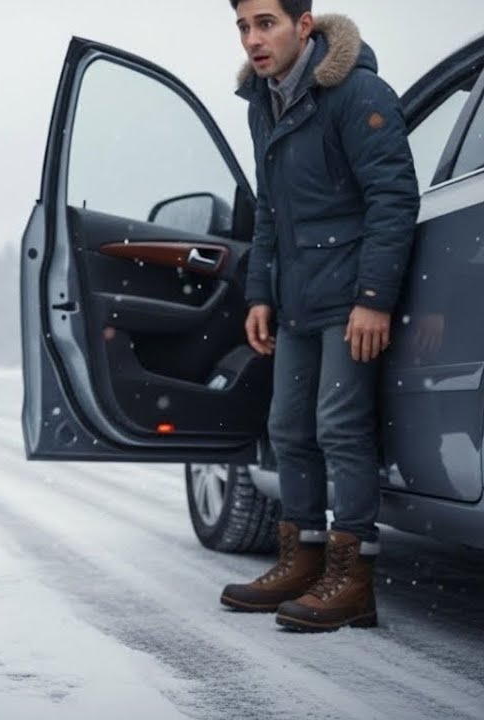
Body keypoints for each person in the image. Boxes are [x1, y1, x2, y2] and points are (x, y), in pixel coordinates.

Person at [217, 0, 420, 632]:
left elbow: (394, 197)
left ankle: (353, 580)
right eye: (245, 27)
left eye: (266, 23)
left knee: (340, 427)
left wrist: (374, 300)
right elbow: (272, 211)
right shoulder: (263, 102)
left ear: (305, 26)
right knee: (287, 429)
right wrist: (259, 294)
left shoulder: (358, 94)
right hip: (297, 299)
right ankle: (301, 561)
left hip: (350, 298)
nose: (254, 39)